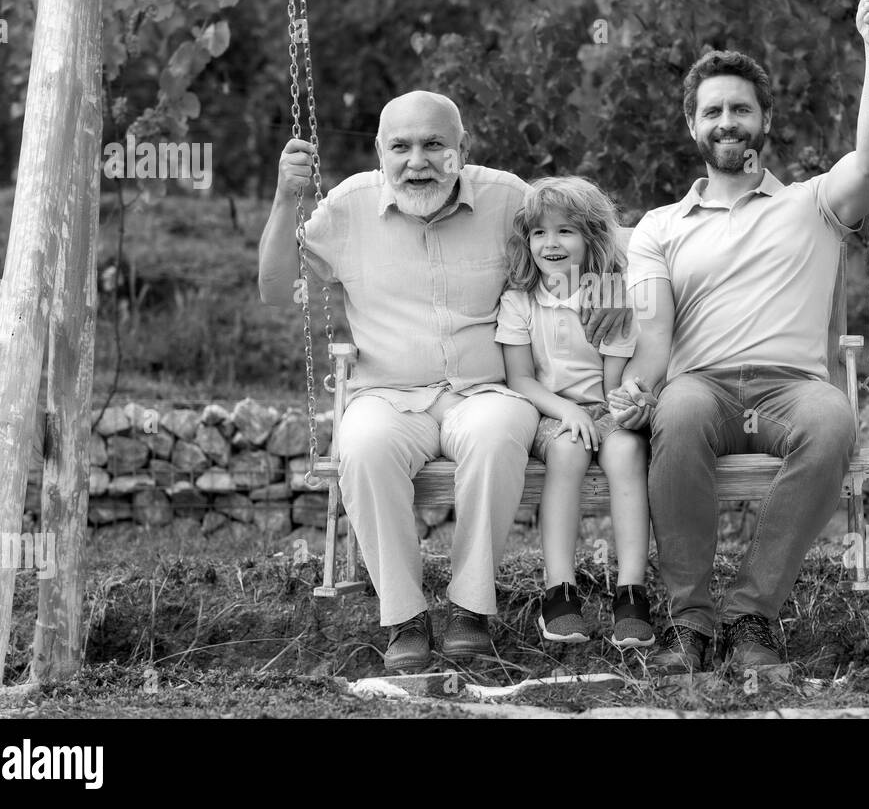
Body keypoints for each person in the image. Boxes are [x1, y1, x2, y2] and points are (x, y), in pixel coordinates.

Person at [257, 91, 629, 673]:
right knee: (361, 445)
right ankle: (404, 617)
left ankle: (468, 609)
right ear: (380, 152)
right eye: (400, 147)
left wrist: (616, 293)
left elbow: (588, 229)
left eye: (434, 144)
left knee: (500, 430)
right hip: (387, 395)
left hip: (485, 392)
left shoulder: (508, 197)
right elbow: (275, 289)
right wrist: (285, 198)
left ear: (462, 149)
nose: (417, 161)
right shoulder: (348, 207)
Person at [611, 0, 869, 673]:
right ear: (693, 127)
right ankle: (690, 622)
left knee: (832, 421)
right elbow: (652, 333)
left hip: (790, 388)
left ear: (765, 120)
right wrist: (635, 387)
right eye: (713, 110)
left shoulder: (813, 203)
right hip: (700, 387)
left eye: (741, 107)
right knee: (673, 410)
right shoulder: (658, 228)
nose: (728, 119)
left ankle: (750, 614)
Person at [496, 177, 654, 649]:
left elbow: (612, 382)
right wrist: (568, 411)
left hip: (603, 408)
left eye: (566, 231)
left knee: (627, 452)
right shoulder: (520, 301)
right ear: (527, 241)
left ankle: (631, 592)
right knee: (566, 453)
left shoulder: (611, 300)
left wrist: (624, 407)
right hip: (550, 412)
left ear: (591, 239)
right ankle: (559, 592)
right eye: (539, 232)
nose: (551, 243)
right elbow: (520, 379)